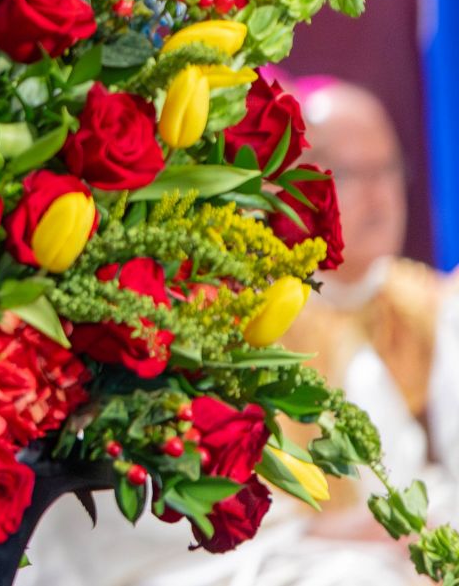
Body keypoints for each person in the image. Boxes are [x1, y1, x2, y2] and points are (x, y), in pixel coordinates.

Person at [26, 76, 457, 584]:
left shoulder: (418, 304)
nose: (378, 195)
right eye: (349, 173)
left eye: (387, 170)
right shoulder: (222, 308)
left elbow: (409, 477)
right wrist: (327, 531)